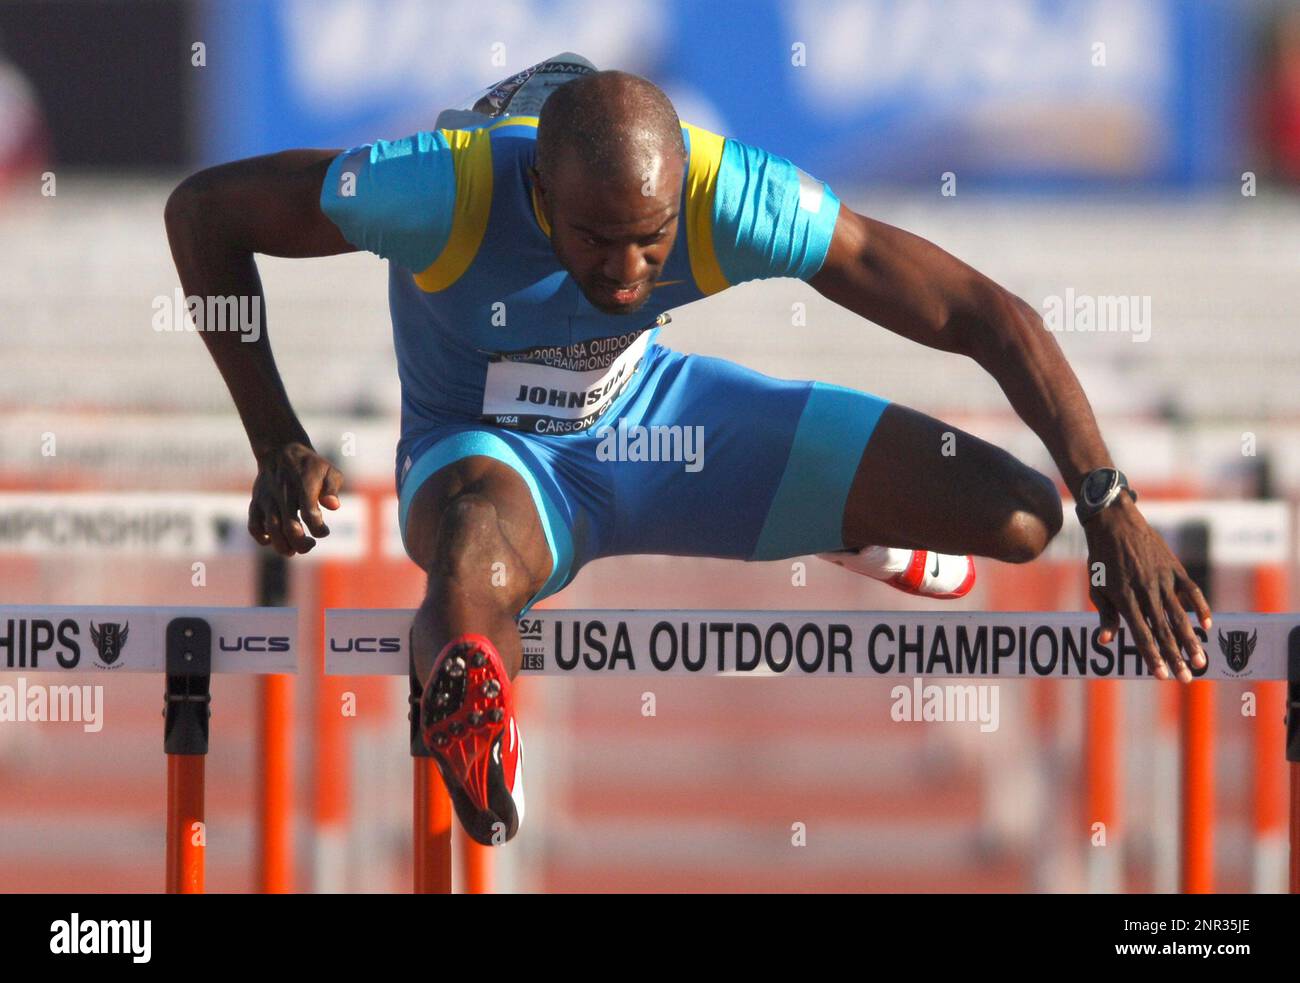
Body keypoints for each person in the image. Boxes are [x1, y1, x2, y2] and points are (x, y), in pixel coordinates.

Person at [165, 57, 1212, 848]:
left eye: (649, 239)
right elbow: (203, 211)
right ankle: (473, 707)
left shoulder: (730, 193)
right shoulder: (440, 188)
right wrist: (277, 438)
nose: (624, 273)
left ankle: (847, 521)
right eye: (592, 240)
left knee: (1018, 516)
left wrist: (1108, 498)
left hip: (667, 425)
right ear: (536, 193)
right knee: (471, 554)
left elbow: (983, 311)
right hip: (490, 456)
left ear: (682, 195)